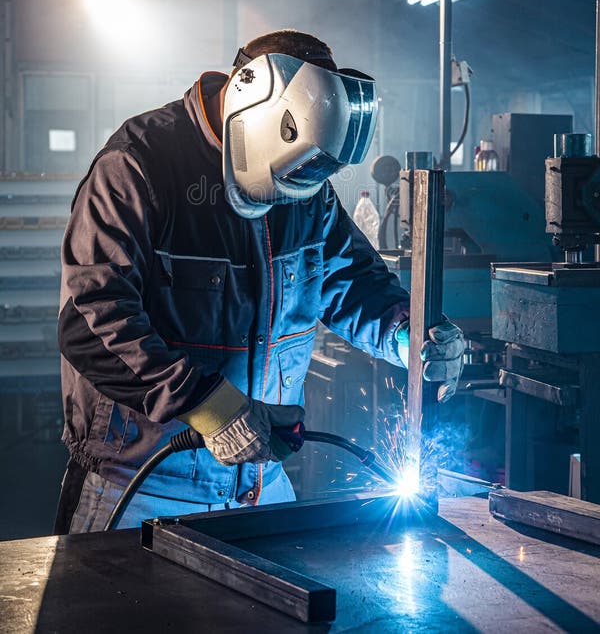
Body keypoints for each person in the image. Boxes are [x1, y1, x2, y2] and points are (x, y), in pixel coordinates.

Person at [54, 29, 464, 533]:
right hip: (141, 485)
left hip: (261, 484)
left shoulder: (304, 178)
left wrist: (405, 332)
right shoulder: (139, 165)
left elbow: (350, 279)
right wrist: (208, 406)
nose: (295, 192)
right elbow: (91, 323)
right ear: (251, 102)